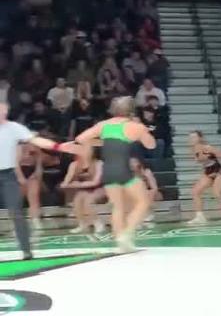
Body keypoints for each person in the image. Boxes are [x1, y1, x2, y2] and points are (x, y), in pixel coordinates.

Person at [73, 97, 158, 251]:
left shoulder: (103, 125)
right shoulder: (135, 126)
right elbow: (151, 145)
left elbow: (80, 139)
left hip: (108, 171)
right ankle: (127, 233)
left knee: (117, 207)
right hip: (124, 170)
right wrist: (143, 131)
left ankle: (121, 243)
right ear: (131, 111)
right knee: (143, 202)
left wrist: (104, 142)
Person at [1, 101, 82, 259]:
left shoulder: (14, 128)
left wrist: (58, 147)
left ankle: (26, 250)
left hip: (7, 174)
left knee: (16, 212)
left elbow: (36, 141)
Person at [186, 130, 221, 225]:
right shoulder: (193, 149)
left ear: (200, 138)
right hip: (208, 171)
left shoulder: (207, 148)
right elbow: (203, 162)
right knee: (195, 192)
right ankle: (200, 216)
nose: (192, 139)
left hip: (218, 170)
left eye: (194, 137)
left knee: (217, 193)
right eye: (190, 137)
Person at [60, 148, 106, 235]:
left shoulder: (99, 163)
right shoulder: (74, 165)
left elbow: (96, 182)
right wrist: (68, 183)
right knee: (77, 201)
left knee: (88, 202)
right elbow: (66, 182)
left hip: (100, 188)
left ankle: (98, 224)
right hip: (83, 189)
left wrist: (76, 184)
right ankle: (82, 225)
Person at [16, 143, 45, 232]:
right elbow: (15, 164)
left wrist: (37, 173)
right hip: (20, 171)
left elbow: (39, 162)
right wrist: (20, 177)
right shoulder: (16, 147)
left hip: (32, 171)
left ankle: (35, 220)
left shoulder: (35, 146)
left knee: (34, 198)